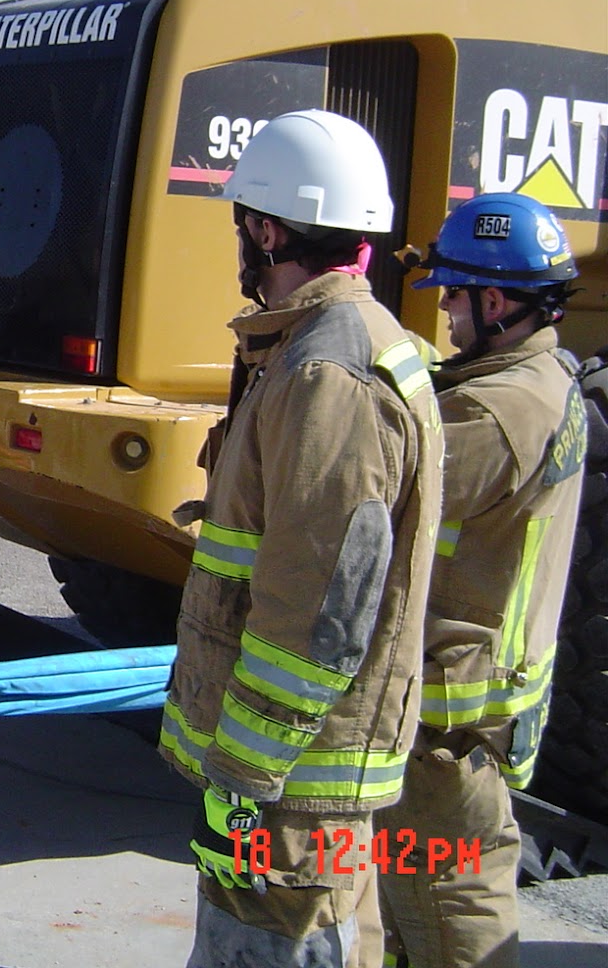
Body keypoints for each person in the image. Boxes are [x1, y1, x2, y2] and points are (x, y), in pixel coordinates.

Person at [158, 110, 443, 967]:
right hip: (297, 771)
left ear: (269, 229)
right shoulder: (321, 349)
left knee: (274, 945)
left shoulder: (330, 373)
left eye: (244, 220)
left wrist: (241, 778)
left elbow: (316, 607)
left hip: (290, 782)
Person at [376, 193, 585, 968]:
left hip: (447, 724)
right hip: (466, 714)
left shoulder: (500, 411)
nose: (448, 317)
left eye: (455, 298)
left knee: (449, 916)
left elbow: (381, 485)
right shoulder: (534, 378)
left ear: (496, 301)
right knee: (418, 914)